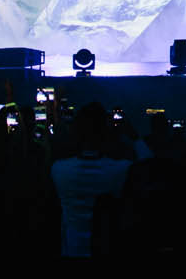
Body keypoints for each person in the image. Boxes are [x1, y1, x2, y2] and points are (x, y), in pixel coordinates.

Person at [49, 102, 130, 257]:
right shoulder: (120, 170)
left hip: (72, 251)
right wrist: (130, 135)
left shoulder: (59, 169)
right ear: (106, 132)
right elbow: (151, 164)